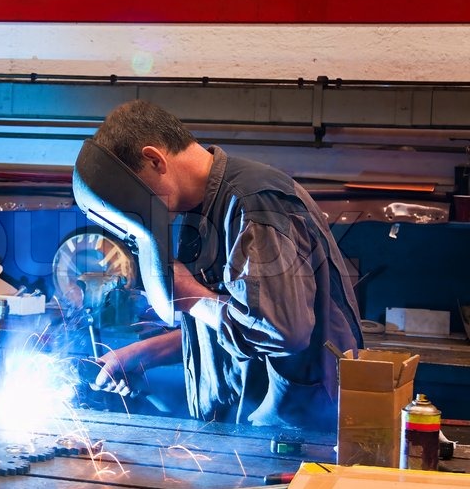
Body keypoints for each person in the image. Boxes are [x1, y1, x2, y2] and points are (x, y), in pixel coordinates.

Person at [72, 99, 363, 429]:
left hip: (297, 434)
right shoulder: (197, 208)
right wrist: (142, 354)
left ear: (154, 159)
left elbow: (280, 332)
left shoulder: (254, 205)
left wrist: (190, 295)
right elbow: (226, 319)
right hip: (241, 426)